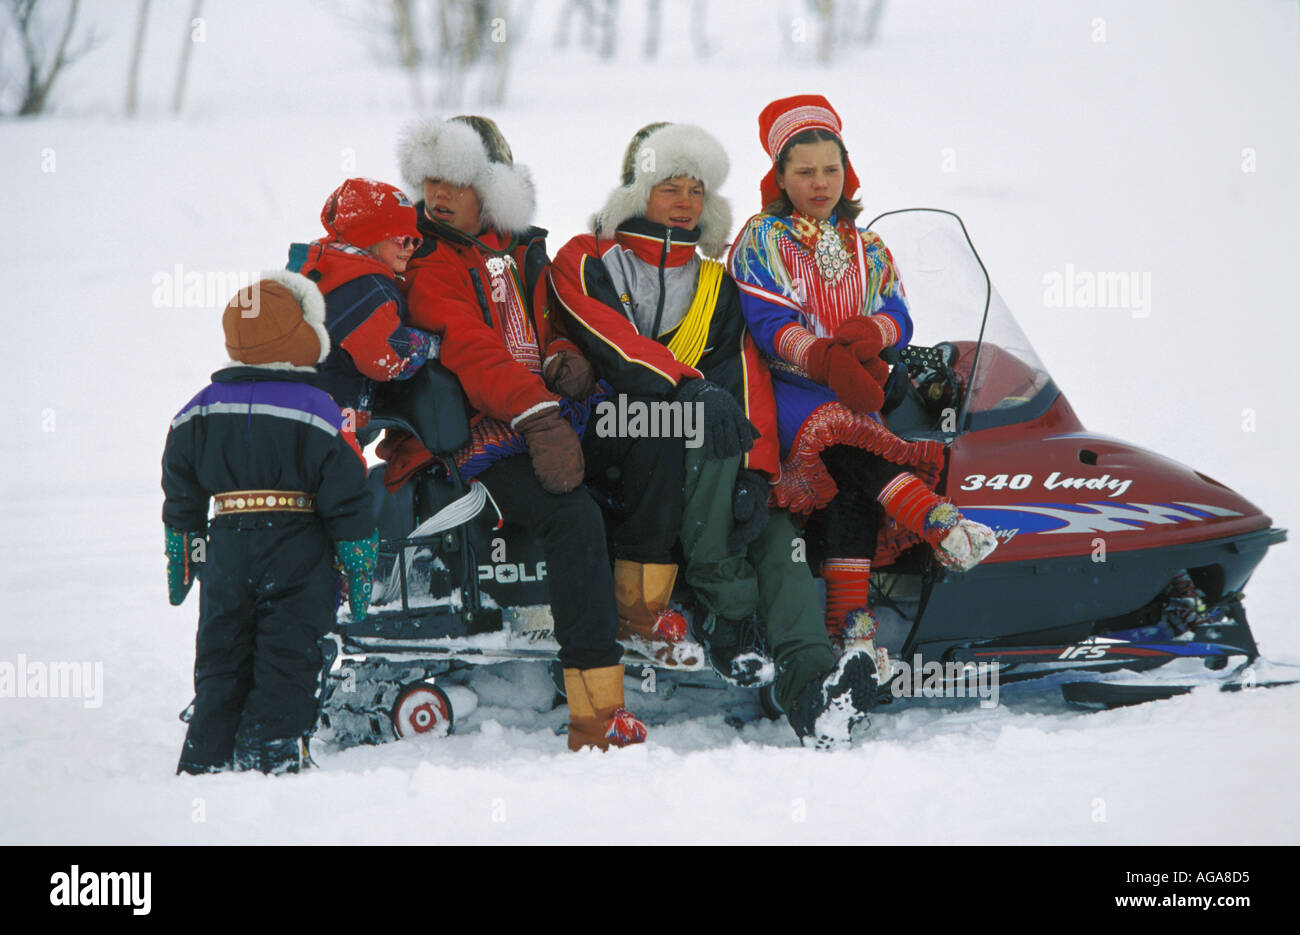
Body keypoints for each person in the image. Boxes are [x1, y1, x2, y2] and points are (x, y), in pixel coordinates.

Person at [549, 122, 878, 747]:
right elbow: (613, 344)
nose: (684, 202)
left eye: (696, 191)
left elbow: (746, 375)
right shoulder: (586, 258)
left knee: (776, 529)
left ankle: (812, 692)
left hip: (698, 445)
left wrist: (758, 471)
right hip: (608, 431)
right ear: (635, 189)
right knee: (695, 425)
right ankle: (729, 620)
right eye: (669, 186)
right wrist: (685, 387)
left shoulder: (713, 280)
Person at [388, 114, 683, 751]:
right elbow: (469, 349)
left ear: (491, 189)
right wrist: (537, 413)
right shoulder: (428, 261)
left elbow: (547, 324)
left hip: (548, 411)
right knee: (571, 515)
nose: (440, 194)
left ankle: (639, 610)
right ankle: (597, 714)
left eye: (459, 182)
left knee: (657, 429)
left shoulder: (523, 247)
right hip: (479, 431)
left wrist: (560, 357)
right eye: (432, 179)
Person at [728, 95, 998, 672]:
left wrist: (868, 337)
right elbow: (769, 322)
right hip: (791, 391)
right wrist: (826, 358)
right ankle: (935, 519)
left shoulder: (866, 244)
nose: (821, 183)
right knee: (842, 441)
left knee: (850, 494)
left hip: (857, 388)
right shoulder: (761, 238)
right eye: (804, 172)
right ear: (779, 175)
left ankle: (849, 628)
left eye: (831, 169)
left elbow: (898, 313)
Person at [162, 272, 378, 775]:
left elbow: (181, 488)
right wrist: (357, 554)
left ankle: (205, 757)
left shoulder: (195, 411)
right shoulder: (320, 411)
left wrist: (185, 543)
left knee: (222, 650)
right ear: (300, 337)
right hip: (297, 546)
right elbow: (347, 492)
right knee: (288, 649)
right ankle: (272, 754)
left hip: (227, 547)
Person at [288, 177, 434, 423]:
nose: (410, 247)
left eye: (415, 240)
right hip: (327, 418)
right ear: (370, 236)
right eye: (402, 238)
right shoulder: (366, 287)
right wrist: (427, 345)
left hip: (292, 404)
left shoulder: (320, 271)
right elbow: (385, 360)